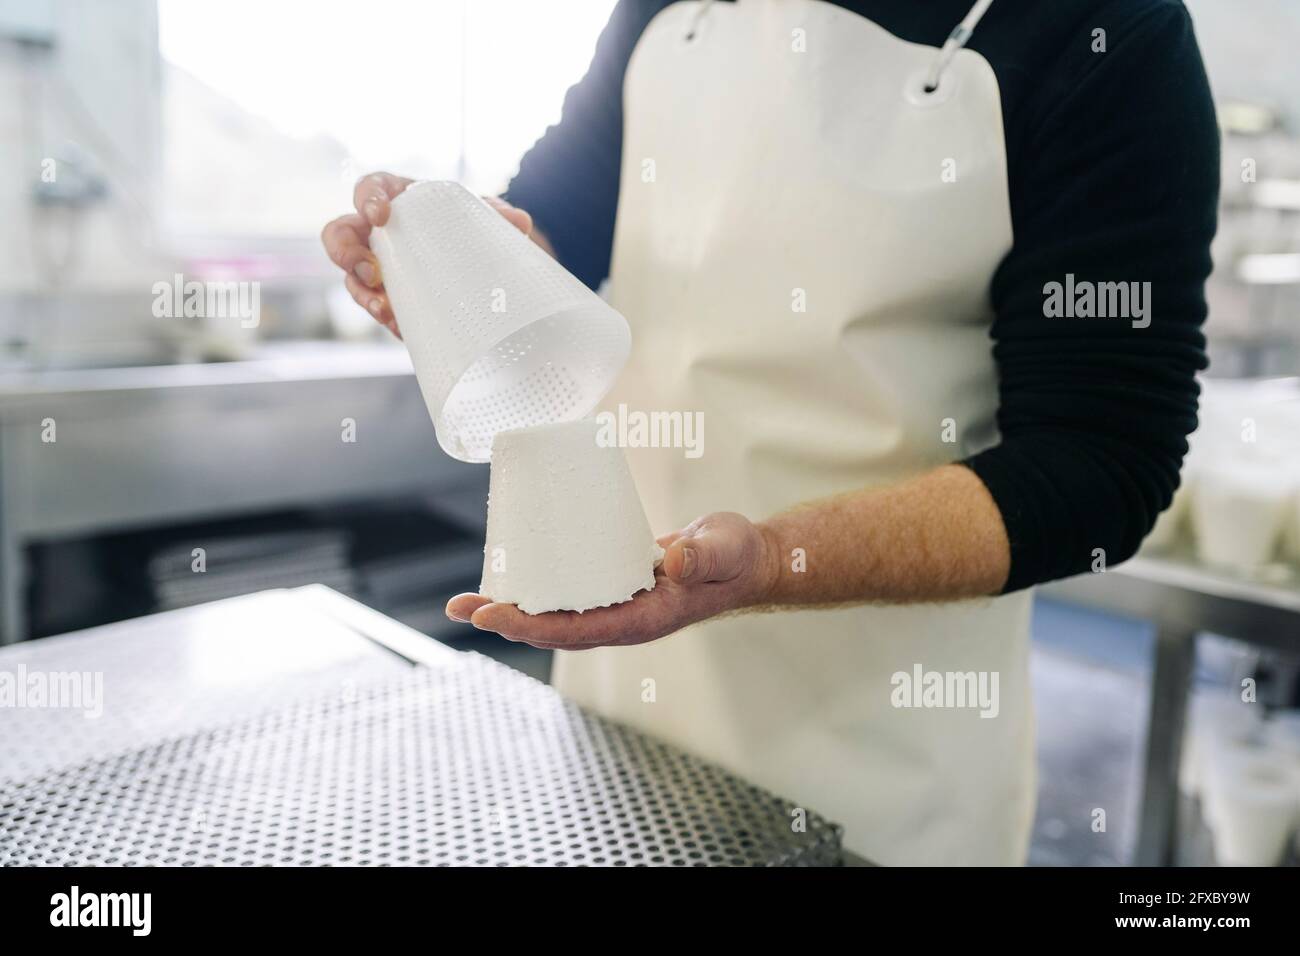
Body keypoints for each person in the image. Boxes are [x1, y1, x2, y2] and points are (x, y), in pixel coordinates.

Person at [322, 0, 1219, 864]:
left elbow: (1100, 463)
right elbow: (557, 222)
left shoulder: (1109, 33)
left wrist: (767, 563)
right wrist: (459, 268)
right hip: (619, 723)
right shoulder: (664, 10)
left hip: (885, 773)